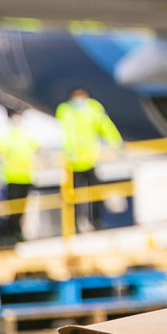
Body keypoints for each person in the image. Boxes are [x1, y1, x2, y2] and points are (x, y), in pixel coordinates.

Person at [55, 87, 123, 232]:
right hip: (72, 162)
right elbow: (65, 133)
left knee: (95, 193)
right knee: (73, 196)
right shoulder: (66, 111)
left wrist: (116, 142)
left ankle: (96, 221)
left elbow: (105, 125)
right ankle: (73, 225)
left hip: (90, 159)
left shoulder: (93, 109)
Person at [0, 107, 39, 249]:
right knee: (13, 209)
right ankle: (10, 234)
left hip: (26, 177)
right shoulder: (7, 136)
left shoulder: (26, 135)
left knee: (21, 209)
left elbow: (38, 147)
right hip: (12, 177)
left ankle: (16, 233)